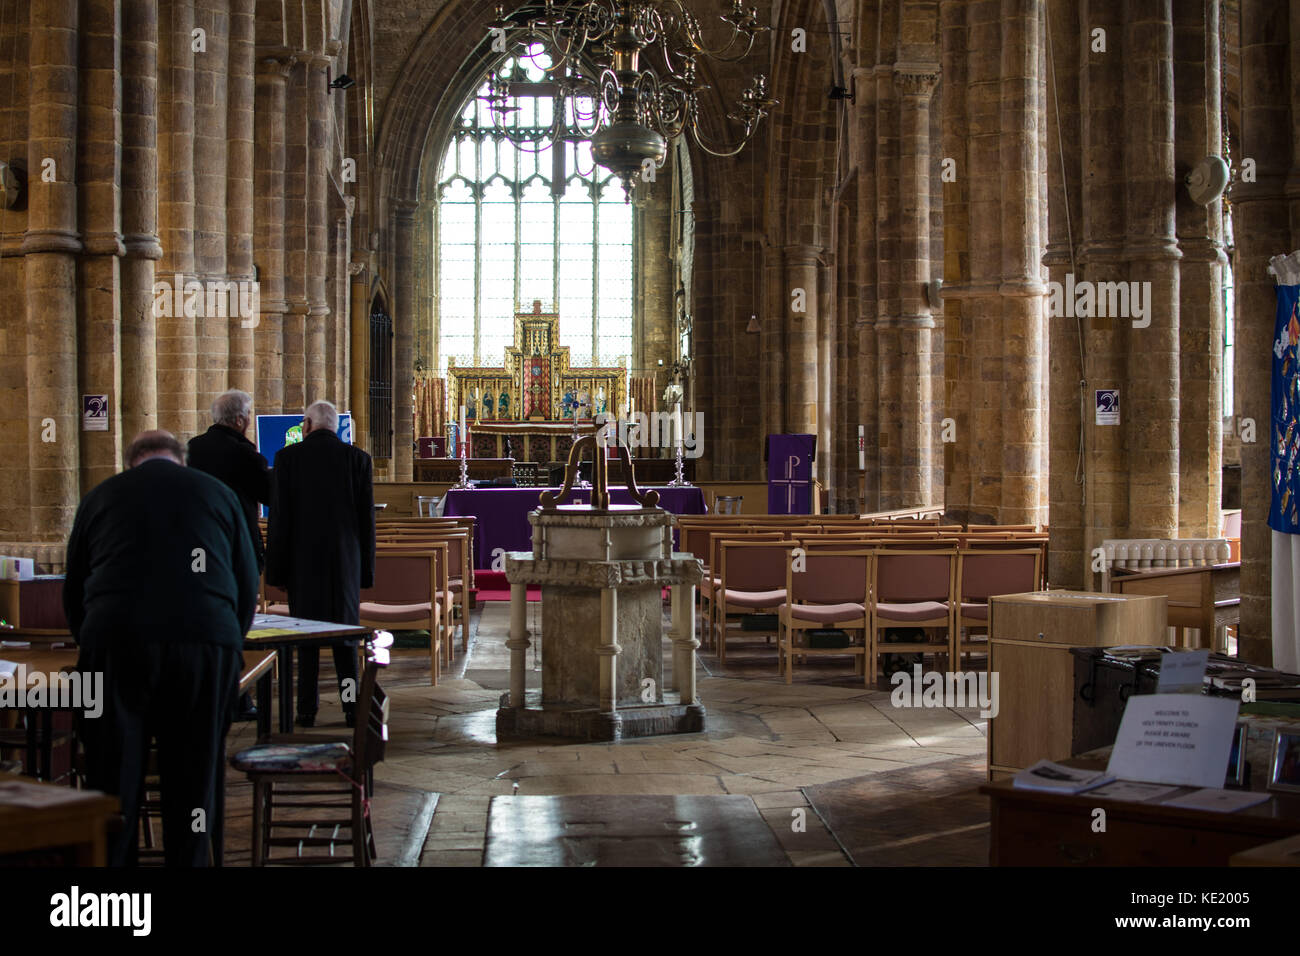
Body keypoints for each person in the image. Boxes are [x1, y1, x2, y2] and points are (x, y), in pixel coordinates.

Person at [64, 430, 259, 867]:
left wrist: (92, 643)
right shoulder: (219, 494)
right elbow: (247, 582)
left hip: (115, 643)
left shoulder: (101, 496)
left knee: (112, 773)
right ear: (180, 461)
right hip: (204, 643)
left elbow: (74, 588)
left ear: (131, 461)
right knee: (194, 772)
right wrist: (228, 638)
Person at [265, 400, 375, 727]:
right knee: (345, 642)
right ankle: (351, 707)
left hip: (302, 565)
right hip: (344, 564)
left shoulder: (287, 459)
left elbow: (279, 520)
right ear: (335, 426)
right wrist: (364, 572)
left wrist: (277, 571)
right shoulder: (358, 459)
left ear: (307, 425)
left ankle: (306, 710)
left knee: (306, 641)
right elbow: (365, 521)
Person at [188, 389, 271, 721]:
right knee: (236, 623)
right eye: (248, 416)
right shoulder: (246, 456)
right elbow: (269, 495)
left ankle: (204, 690)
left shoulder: (192, 449)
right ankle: (238, 696)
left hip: (197, 548)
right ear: (239, 420)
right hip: (236, 550)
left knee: (202, 618)